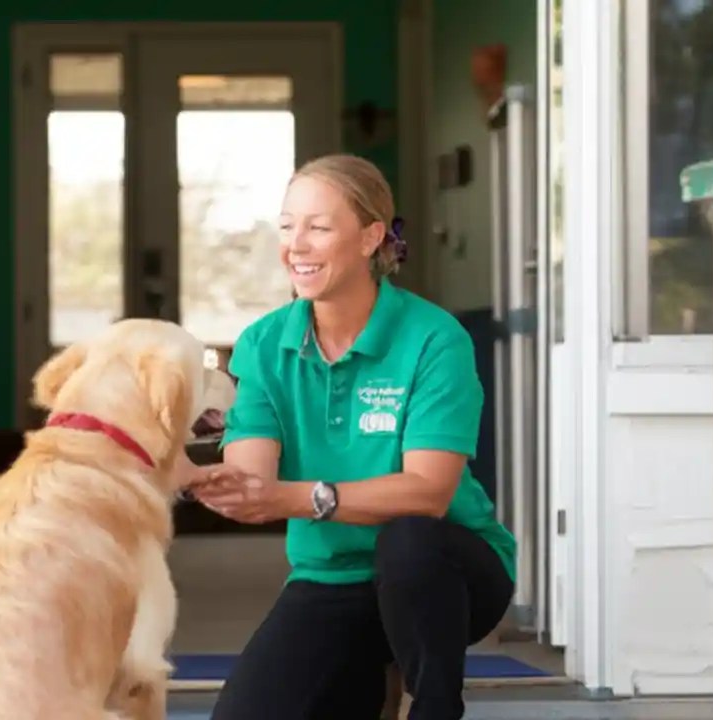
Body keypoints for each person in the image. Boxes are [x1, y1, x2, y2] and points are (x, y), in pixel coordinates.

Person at [182, 154, 517, 720]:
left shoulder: (434, 339)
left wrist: (300, 497)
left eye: (318, 226)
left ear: (370, 238)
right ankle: (366, 683)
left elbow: (428, 493)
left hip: (449, 574)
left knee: (407, 541)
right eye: (288, 226)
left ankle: (435, 708)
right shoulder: (263, 344)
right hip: (332, 575)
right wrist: (186, 472)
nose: (296, 244)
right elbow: (253, 483)